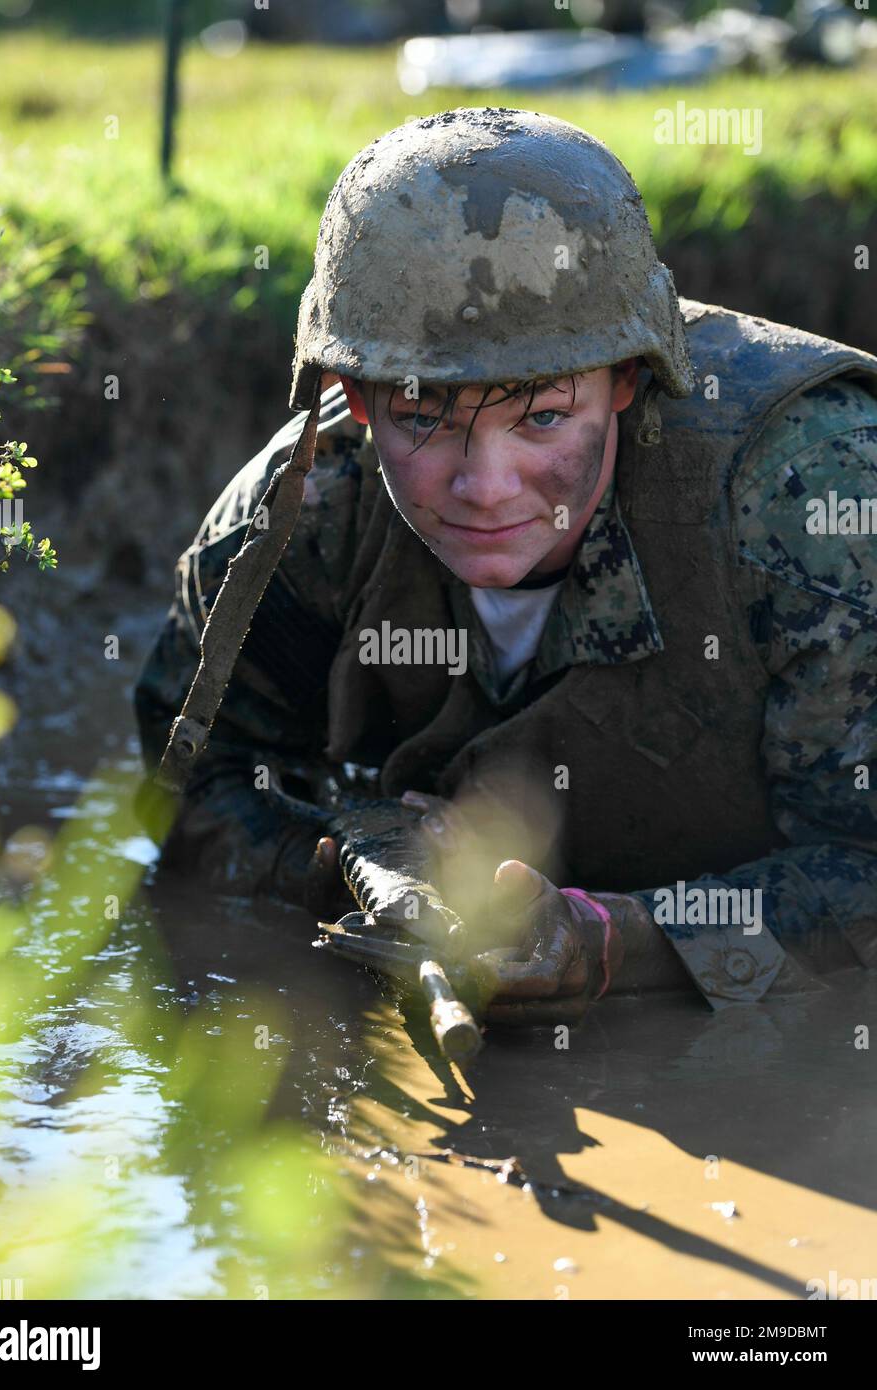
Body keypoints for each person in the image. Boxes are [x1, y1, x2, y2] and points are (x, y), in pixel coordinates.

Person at [135, 108, 877, 1022]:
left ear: (627, 381)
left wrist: (610, 941)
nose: (485, 487)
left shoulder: (815, 502)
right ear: (356, 399)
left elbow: (866, 865)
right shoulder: (295, 523)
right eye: (424, 418)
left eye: (542, 419)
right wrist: (353, 865)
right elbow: (188, 794)